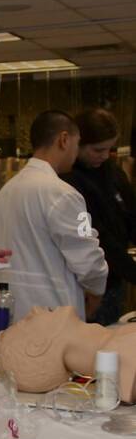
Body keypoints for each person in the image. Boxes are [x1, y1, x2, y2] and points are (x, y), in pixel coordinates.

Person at [0, 109, 108, 323]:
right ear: (64, 140)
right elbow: (88, 257)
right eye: (77, 143)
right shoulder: (64, 194)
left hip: (11, 316)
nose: (76, 152)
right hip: (54, 320)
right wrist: (97, 290)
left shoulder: (6, 191)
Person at [62, 107, 136, 325]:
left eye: (109, 149)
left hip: (114, 280)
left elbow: (131, 216)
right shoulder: (69, 180)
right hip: (86, 286)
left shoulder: (112, 171)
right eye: (97, 150)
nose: (104, 155)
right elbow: (98, 237)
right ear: (77, 143)